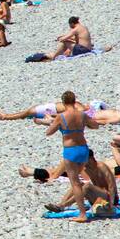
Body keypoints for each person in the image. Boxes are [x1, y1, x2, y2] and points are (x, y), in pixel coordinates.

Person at [45, 91, 93, 222]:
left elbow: (49, 132)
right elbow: (95, 125)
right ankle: (63, 204)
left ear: (63, 102)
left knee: (75, 183)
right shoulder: (82, 115)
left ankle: (82, 214)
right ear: (74, 101)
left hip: (70, 150)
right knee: (77, 182)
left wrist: (51, 122)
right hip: (83, 149)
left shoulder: (62, 116)